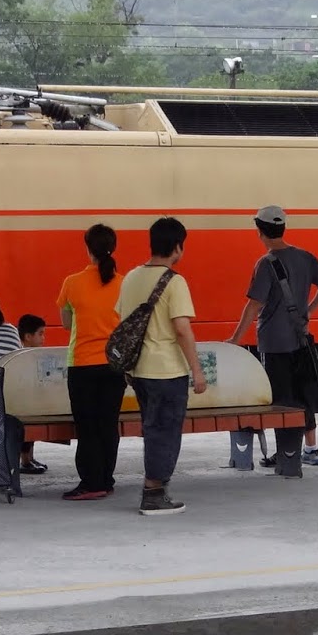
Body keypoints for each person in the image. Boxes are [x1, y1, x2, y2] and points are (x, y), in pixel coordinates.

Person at [228, 205, 318, 467]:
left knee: (281, 402)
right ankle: (311, 449)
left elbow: (254, 305)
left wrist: (236, 339)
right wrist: (308, 311)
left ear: (260, 231)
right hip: (301, 339)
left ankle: (287, 453)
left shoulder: (266, 264)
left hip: (274, 343)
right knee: (304, 393)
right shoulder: (305, 257)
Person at [116, 217, 206, 516]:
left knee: (153, 428)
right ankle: (154, 493)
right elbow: (182, 329)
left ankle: (155, 488)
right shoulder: (174, 281)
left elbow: (123, 322)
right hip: (167, 370)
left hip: (139, 370)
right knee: (165, 431)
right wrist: (198, 370)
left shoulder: (130, 278)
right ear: (178, 247)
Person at [54, 224, 125, 501]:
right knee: (108, 423)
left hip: (82, 363)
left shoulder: (72, 282)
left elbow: (66, 323)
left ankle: (91, 482)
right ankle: (106, 479)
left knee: (88, 426)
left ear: (87, 248)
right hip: (114, 365)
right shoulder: (123, 282)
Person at [16, 314, 49, 475]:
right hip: (24, 401)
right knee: (26, 428)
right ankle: (26, 460)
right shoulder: (23, 356)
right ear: (28, 337)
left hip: (31, 398)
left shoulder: (33, 355)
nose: (44, 338)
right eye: (40, 334)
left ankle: (29, 457)